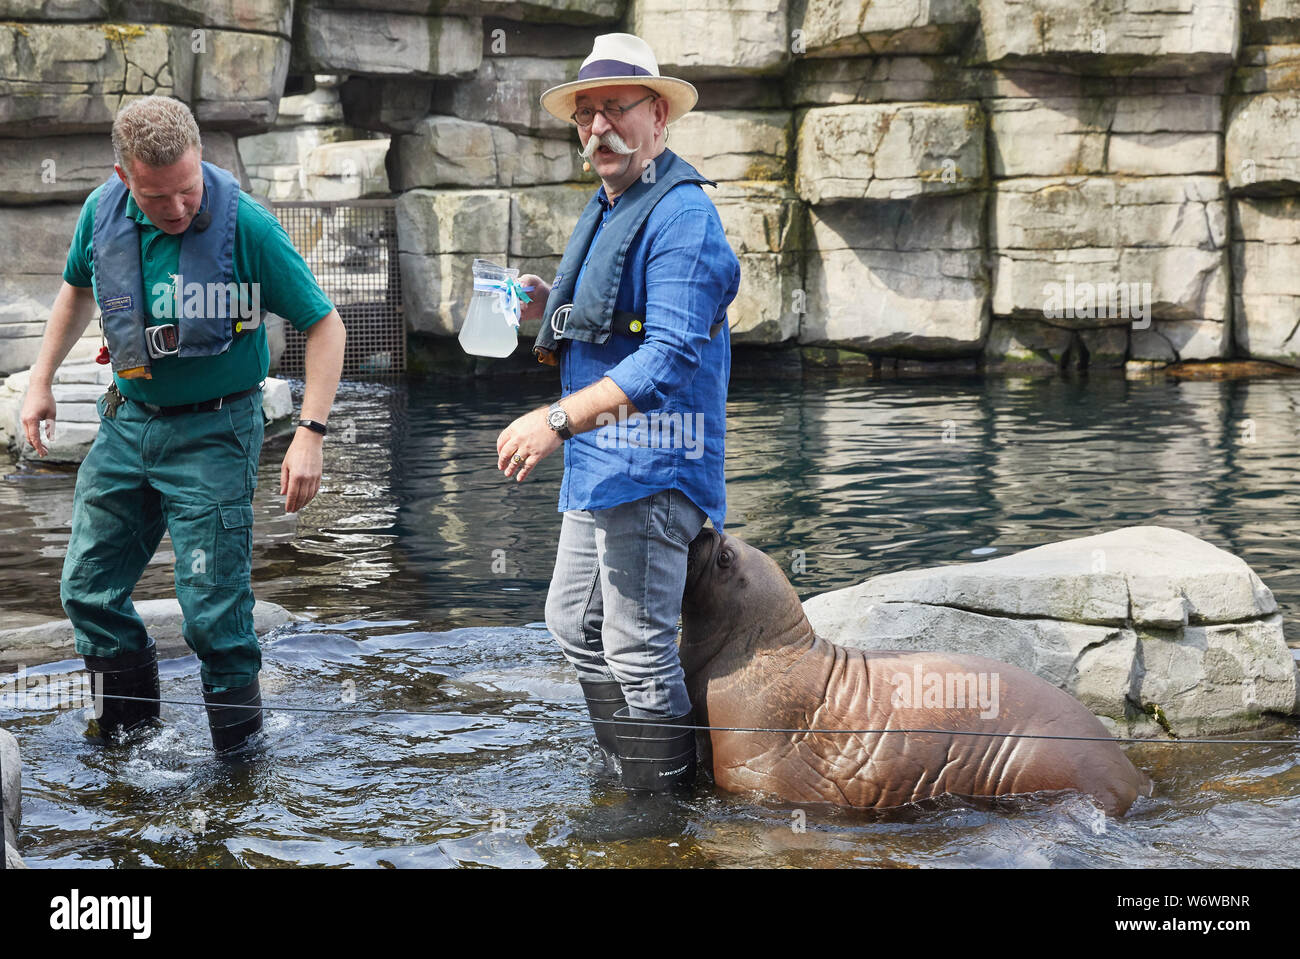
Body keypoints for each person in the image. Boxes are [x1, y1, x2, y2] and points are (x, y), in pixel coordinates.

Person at [18, 96, 346, 753]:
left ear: (202, 165)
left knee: (212, 615)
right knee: (87, 590)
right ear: (123, 178)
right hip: (128, 423)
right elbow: (78, 288)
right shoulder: (100, 213)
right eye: (156, 196)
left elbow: (324, 324)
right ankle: (129, 742)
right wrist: (40, 377)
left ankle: (239, 773)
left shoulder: (244, 225)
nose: (176, 209)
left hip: (214, 432)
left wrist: (310, 432)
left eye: (188, 190)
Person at [495, 33, 740, 791]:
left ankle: (664, 807)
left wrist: (556, 420)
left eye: (616, 110)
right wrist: (546, 303)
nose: (598, 127)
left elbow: (667, 358)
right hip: (603, 462)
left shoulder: (683, 219)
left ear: (658, 116)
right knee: (573, 624)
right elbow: (611, 315)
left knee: (636, 648)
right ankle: (627, 768)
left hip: (654, 463)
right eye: (586, 113)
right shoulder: (612, 204)